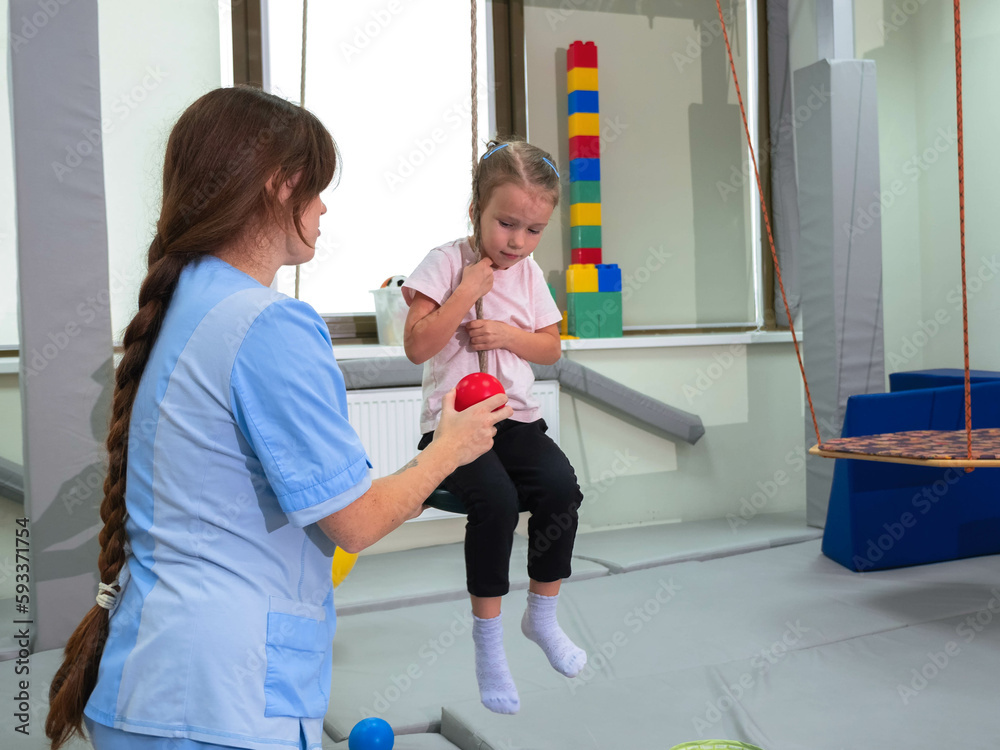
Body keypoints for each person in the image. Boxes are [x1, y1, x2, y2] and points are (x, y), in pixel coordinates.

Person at [44, 86, 511, 750]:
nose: (322, 207)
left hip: (150, 684)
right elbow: (356, 520)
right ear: (276, 185)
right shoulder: (266, 323)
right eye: (315, 188)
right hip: (218, 701)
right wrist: (449, 448)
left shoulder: (185, 303)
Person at [402, 139, 587, 715]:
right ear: (477, 210)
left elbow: (551, 348)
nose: (517, 242)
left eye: (533, 230)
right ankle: (489, 646)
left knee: (562, 488)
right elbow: (416, 346)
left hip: (513, 419)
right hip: (455, 424)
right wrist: (465, 294)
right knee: (499, 503)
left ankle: (543, 615)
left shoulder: (528, 274)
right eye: (506, 224)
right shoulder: (445, 262)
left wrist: (507, 335)